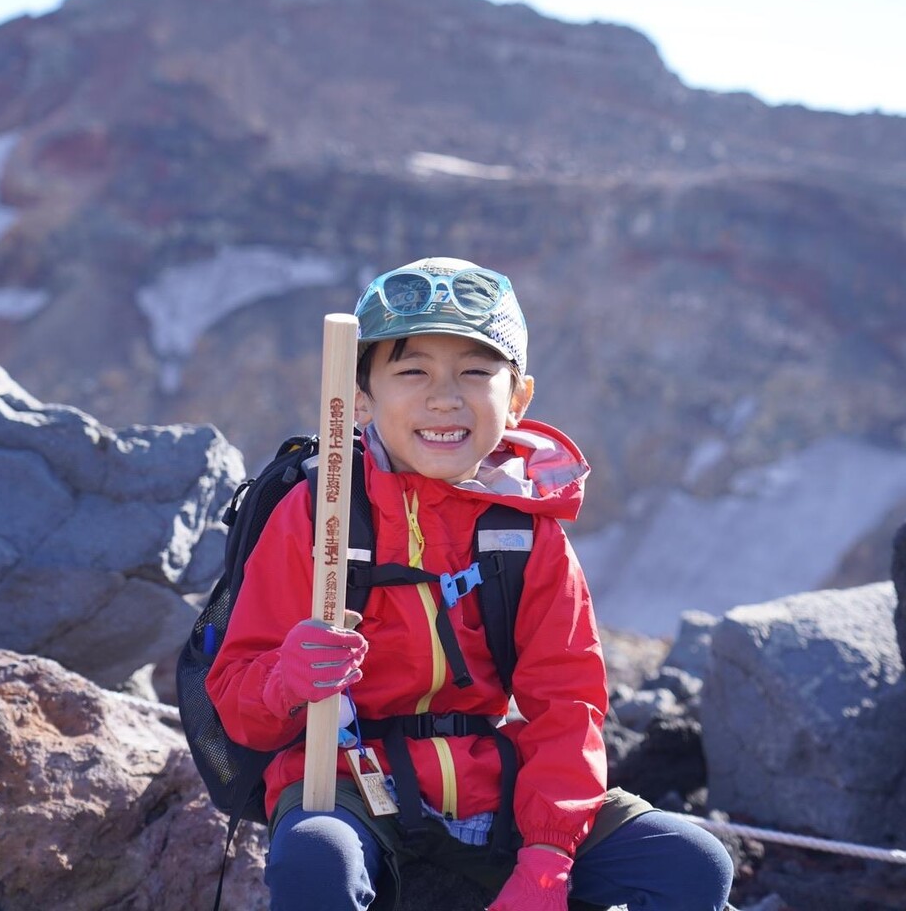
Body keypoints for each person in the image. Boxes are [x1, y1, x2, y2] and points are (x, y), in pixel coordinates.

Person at [208, 257, 734, 910]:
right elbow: (235, 706)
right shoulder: (319, 515)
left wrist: (545, 860)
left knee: (690, 864)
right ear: (360, 395)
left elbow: (566, 705)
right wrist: (288, 677)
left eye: (476, 372)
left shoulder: (527, 531)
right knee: (318, 861)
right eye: (411, 370)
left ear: (517, 397)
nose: (444, 397)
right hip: (350, 779)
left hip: (497, 783)